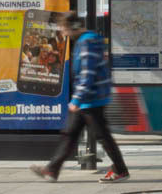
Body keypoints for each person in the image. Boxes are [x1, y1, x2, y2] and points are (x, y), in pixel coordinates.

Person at [31, 12, 130, 183]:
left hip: (91, 99)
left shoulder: (87, 42)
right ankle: (52, 170)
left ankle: (121, 170)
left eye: (64, 29)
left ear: (73, 27)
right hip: (89, 98)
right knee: (70, 134)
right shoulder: (87, 40)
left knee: (102, 136)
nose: (63, 33)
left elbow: (87, 73)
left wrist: (77, 99)